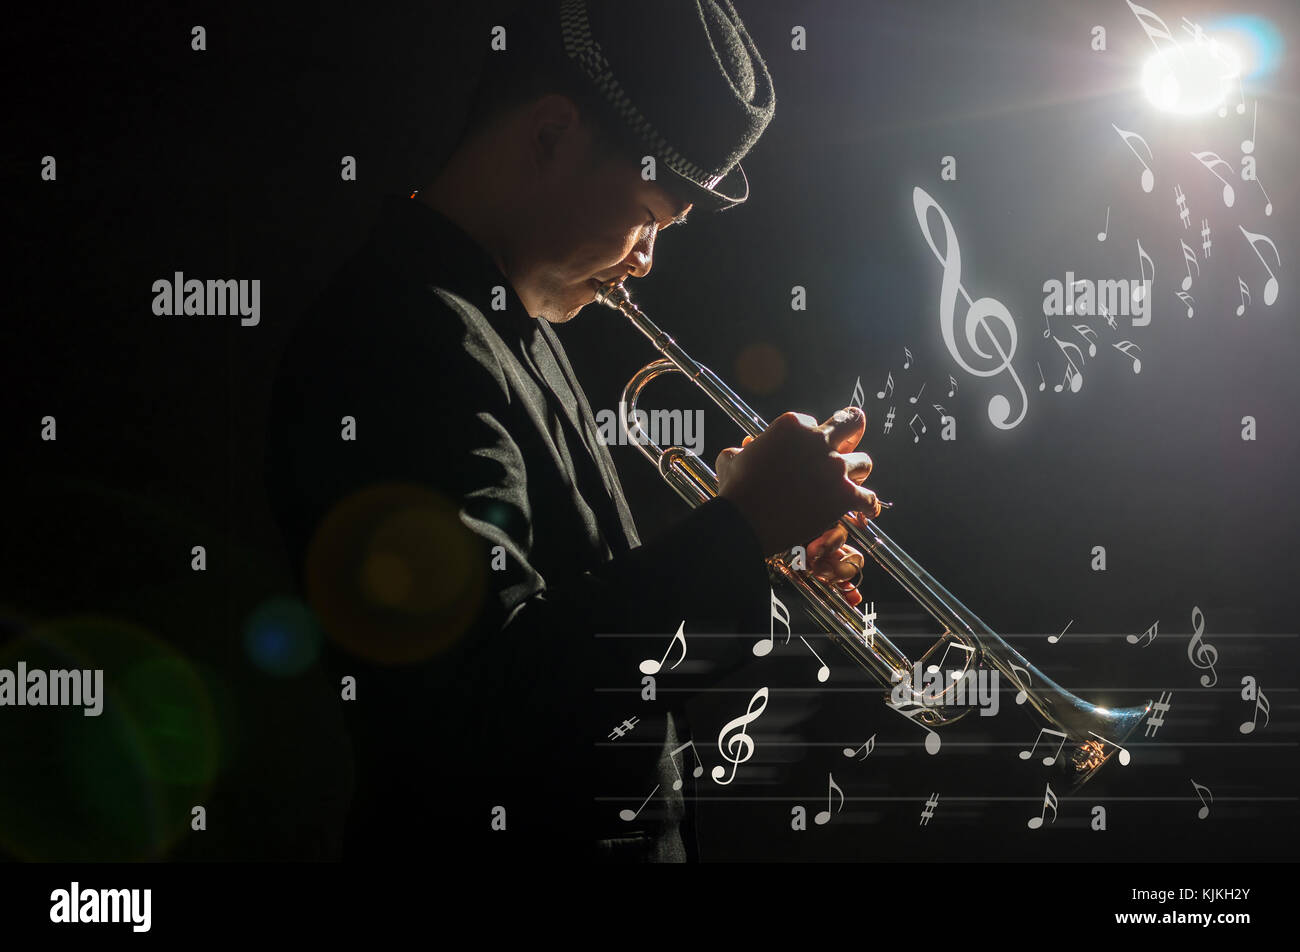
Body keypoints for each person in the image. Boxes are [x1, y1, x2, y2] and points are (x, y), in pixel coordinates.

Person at [263, 0, 880, 863]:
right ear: (551, 136)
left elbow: (588, 645)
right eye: (651, 218)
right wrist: (735, 530)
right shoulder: (400, 339)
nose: (645, 260)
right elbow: (481, 704)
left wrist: (750, 541)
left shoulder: (504, 325)